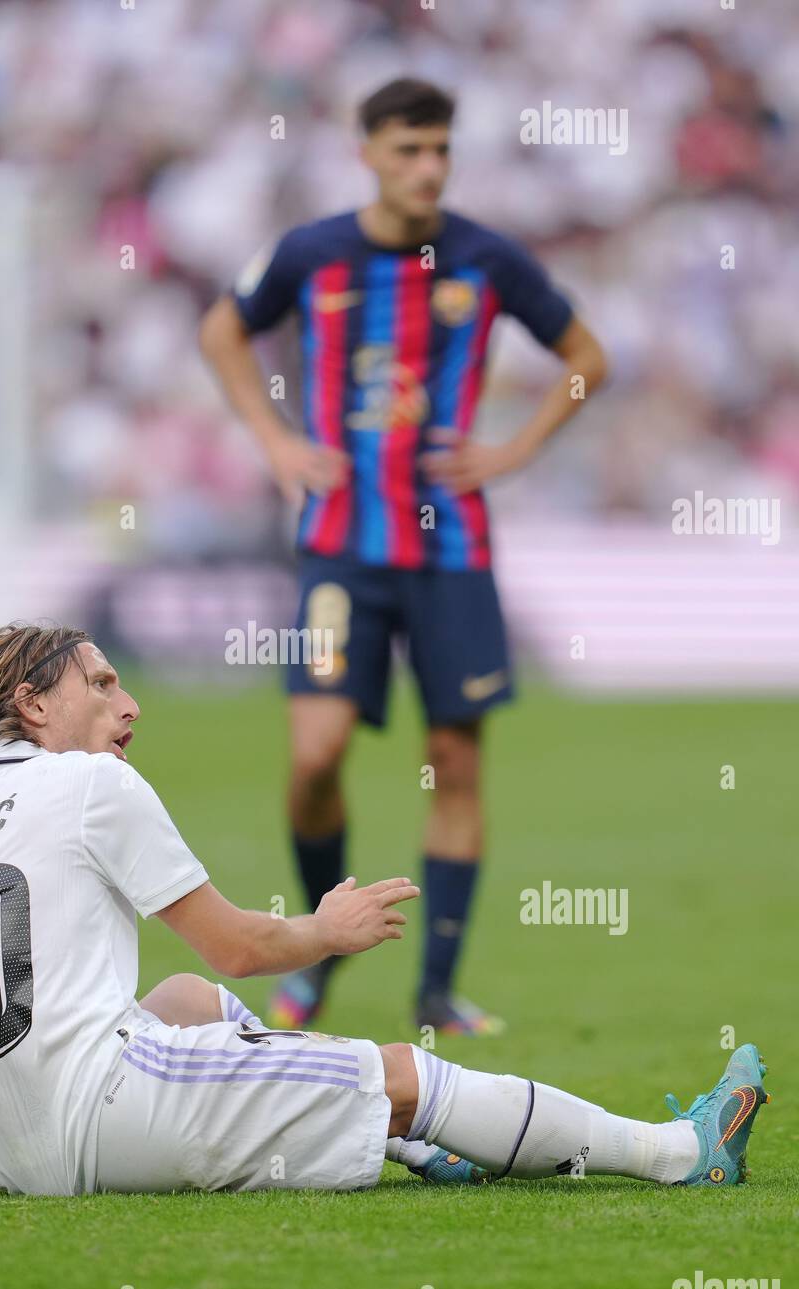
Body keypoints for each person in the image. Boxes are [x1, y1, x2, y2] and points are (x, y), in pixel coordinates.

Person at [0, 624, 767, 1198]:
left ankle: (402, 1139)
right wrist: (324, 932)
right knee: (396, 1068)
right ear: (33, 708)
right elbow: (241, 943)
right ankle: (677, 1150)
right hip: (104, 1115)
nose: (129, 702)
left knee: (183, 998)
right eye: (101, 681)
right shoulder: (88, 784)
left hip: (8, 1159)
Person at [199, 77, 608, 1035]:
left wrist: (511, 450)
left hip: (453, 552)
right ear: (368, 153)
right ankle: (317, 958)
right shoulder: (312, 253)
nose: (427, 167)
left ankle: (435, 992)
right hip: (342, 546)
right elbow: (222, 330)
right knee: (315, 754)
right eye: (408, 150)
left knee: (454, 764)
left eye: (440, 150)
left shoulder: (486, 257)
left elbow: (591, 355)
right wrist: (273, 440)